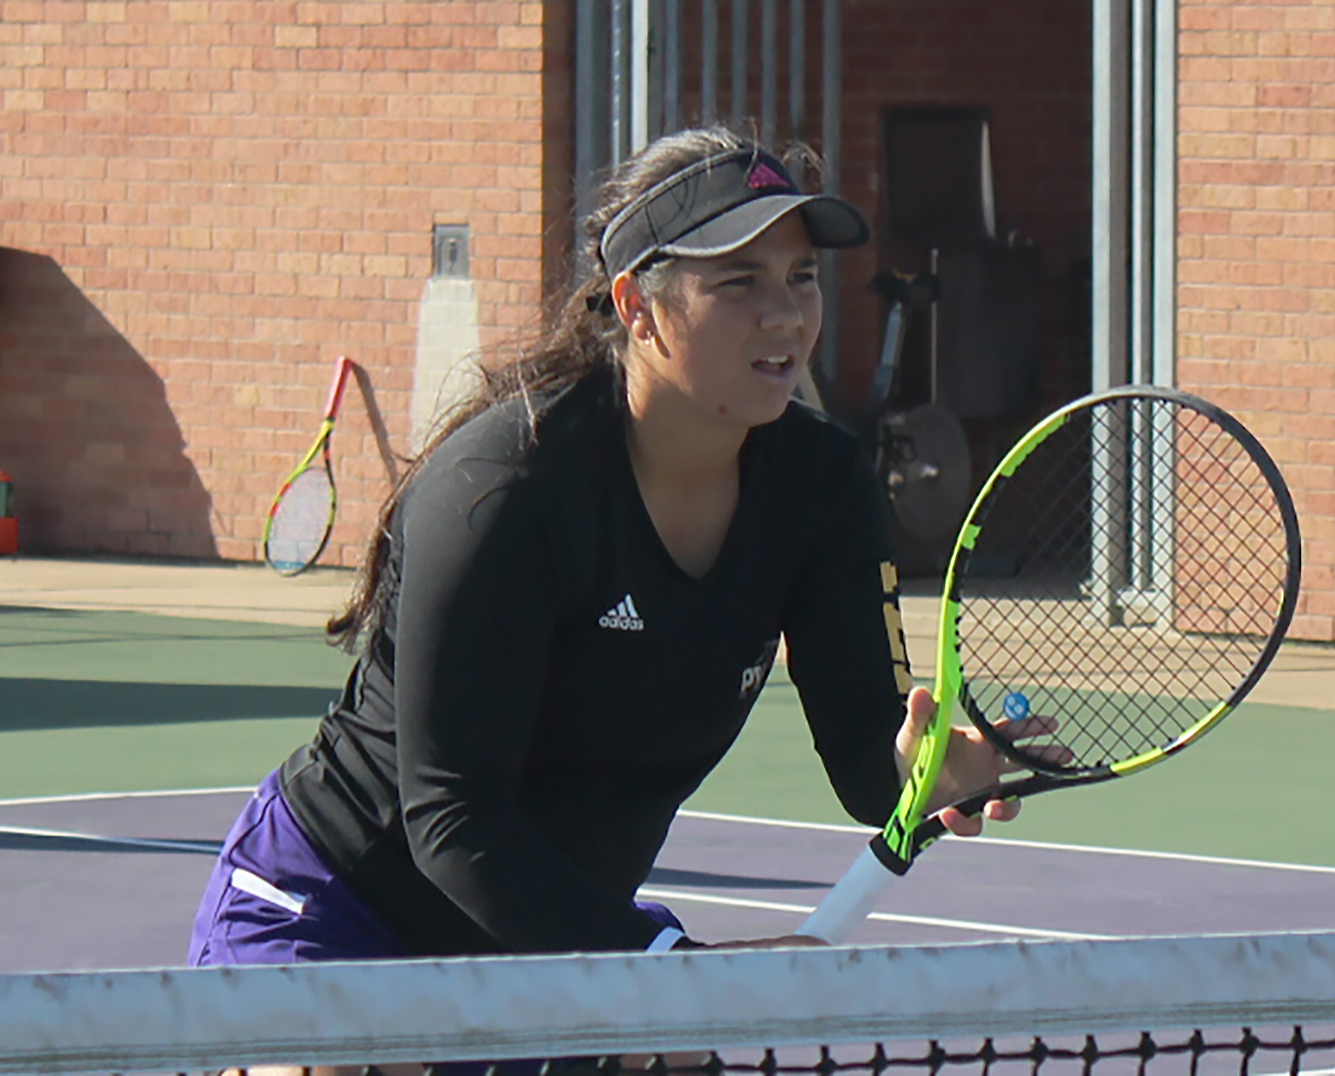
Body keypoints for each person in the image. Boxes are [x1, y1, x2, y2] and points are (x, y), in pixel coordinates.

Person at [188, 127, 1052, 976]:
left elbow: (870, 752)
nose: (786, 312)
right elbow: (453, 818)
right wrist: (661, 964)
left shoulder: (825, 490)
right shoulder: (503, 494)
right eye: (739, 282)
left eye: (801, 278)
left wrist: (922, 772)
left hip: (553, 928)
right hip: (337, 907)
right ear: (638, 306)